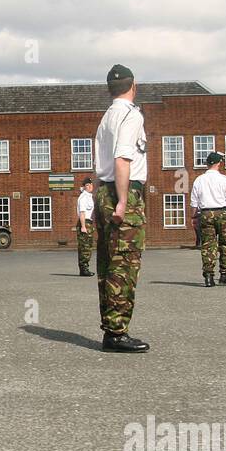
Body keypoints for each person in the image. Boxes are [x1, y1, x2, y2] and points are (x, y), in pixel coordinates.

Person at [93, 64, 149, 352]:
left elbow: (100, 166)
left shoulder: (106, 117)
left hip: (104, 190)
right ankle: (117, 333)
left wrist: (98, 201)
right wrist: (124, 201)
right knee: (124, 264)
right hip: (122, 190)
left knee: (107, 262)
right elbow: (122, 159)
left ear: (109, 89)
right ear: (134, 85)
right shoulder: (131, 114)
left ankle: (110, 328)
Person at [189, 151, 226, 287]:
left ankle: (209, 276)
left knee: (208, 246)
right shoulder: (224, 179)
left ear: (207, 163)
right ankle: (225, 274)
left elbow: (194, 202)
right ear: (218, 163)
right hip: (222, 212)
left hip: (205, 213)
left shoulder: (199, 180)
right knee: (225, 244)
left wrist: (194, 217)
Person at [76, 177, 95, 276]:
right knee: (85, 247)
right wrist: (83, 226)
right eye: (87, 185)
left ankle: (85, 268)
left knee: (88, 246)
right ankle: (84, 269)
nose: (90, 187)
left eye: (91, 185)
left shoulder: (89, 196)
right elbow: (82, 213)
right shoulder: (83, 197)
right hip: (85, 222)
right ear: (84, 187)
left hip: (89, 223)